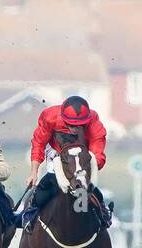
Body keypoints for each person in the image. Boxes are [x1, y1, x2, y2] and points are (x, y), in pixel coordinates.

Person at [21, 96, 112, 229]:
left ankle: (101, 212)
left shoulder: (94, 122)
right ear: (64, 119)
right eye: (71, 125)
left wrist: (85, 167)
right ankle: (31, 213)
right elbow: (39, 143)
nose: (76, 128)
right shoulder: (50, 116)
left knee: (84, 187)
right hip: (57, 152)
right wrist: (34, 172)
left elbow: (98, 154)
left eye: (80, 125)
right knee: (51, 179)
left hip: (82, 154)